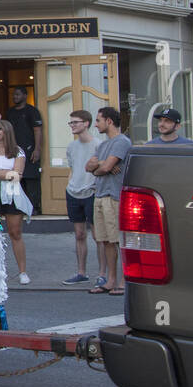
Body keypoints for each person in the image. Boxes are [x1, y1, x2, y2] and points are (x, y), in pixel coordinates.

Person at [86, 106, 131, 296]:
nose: (95, 125)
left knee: (119, 239)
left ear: (109, 121)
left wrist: (101, 166)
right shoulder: (102, 145)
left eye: (98, 120)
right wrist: (100, 166)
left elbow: (106, 167)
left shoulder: (122, 142)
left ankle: (124, 280)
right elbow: (90, 166)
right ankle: (111, 280)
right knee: (105, 240)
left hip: (114, 197)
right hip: (100, 195)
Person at [0, 119, 30, 284]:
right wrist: (6, 173)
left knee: (15, 232)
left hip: (11, 191)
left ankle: (22, 272)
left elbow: (18, 175)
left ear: (7, 131)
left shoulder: (18, 151)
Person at [60, 110, 98, 286]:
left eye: (76, 122)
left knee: (98, 235)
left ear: (86, 123)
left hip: (91, 191)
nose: (73, 125)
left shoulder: (98, 145)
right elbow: (72, 168)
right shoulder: (71, 146)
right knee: (79, 234)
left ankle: (103, 273)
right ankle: (81, 272)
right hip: (73, 192)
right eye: (71, 123)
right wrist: (70, 185)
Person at [5, 86, 43, 214]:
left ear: (25, 96)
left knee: (31, 179)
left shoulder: (32, 111)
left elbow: (37, 130)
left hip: (29, 149)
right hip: (13, 150)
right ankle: (17, 207)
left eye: (18, 94)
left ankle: (33, 207)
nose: (15, 97)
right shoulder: (10, 112)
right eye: (14, 95)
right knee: (15, 178)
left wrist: (37, 149)